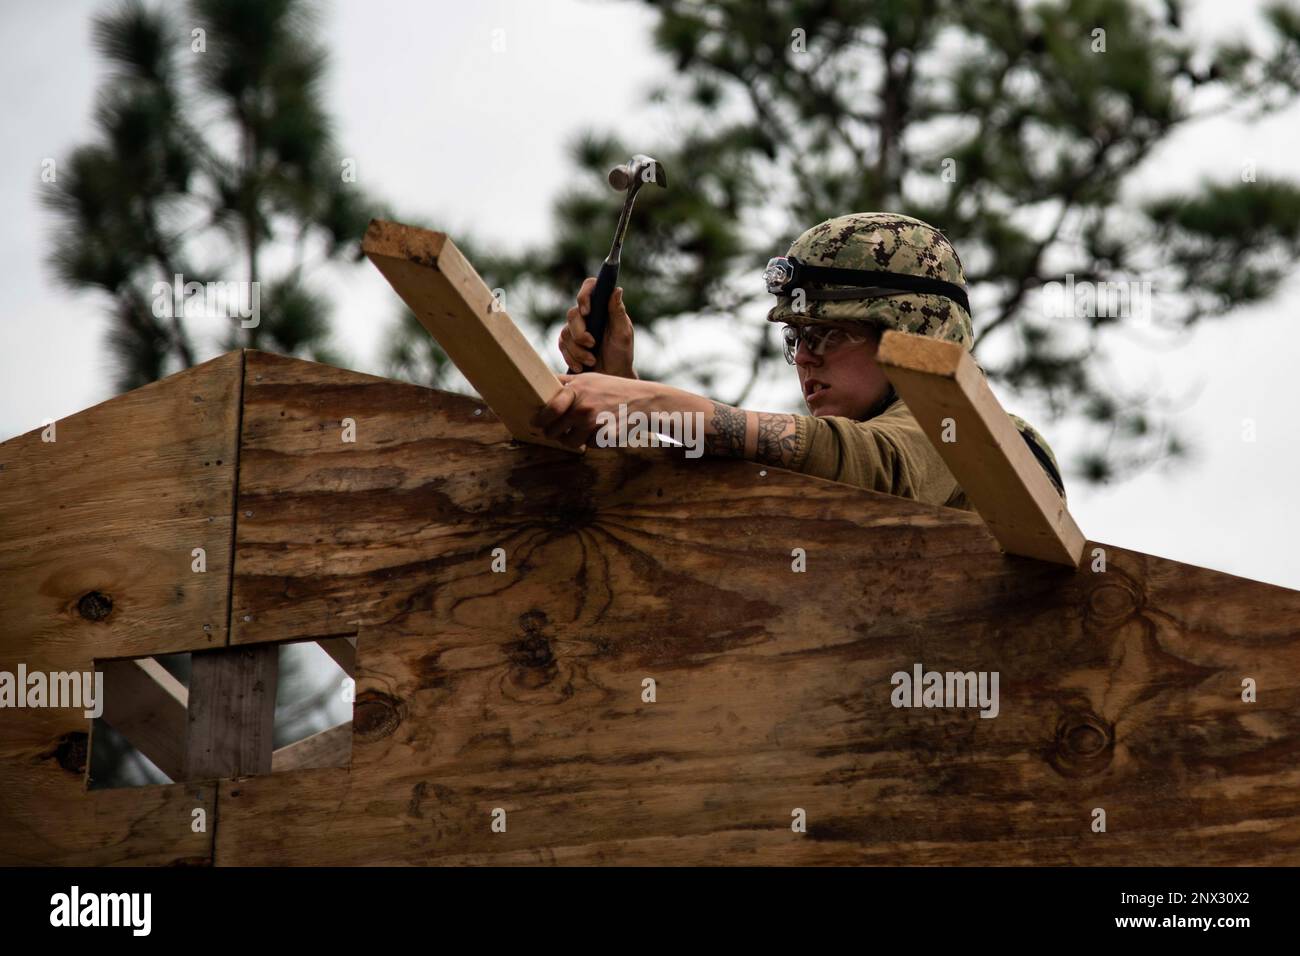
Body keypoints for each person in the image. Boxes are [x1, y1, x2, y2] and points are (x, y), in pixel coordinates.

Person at [538, 212, 1066, 509]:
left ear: (909, 334)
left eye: (831, 333)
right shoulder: (830, 475)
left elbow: (877, 464)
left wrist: (648, 402)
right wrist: (616, 392)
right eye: (797, 337)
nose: (806, 359)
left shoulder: (990, 438)